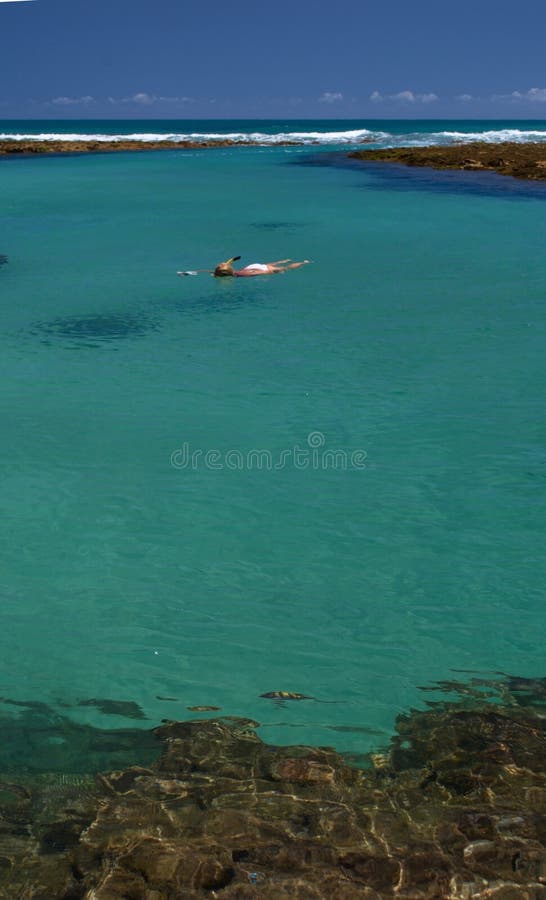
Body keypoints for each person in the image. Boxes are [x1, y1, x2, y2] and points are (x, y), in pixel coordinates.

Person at [213, 257, 311, 277]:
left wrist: (268, 273)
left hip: (255, 269)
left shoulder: (239, 274)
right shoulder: (236, 273)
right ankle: (283, 261)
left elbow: (254, 272)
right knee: (266, 265)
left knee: (286, 268)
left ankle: (303, 262)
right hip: (251, 267)